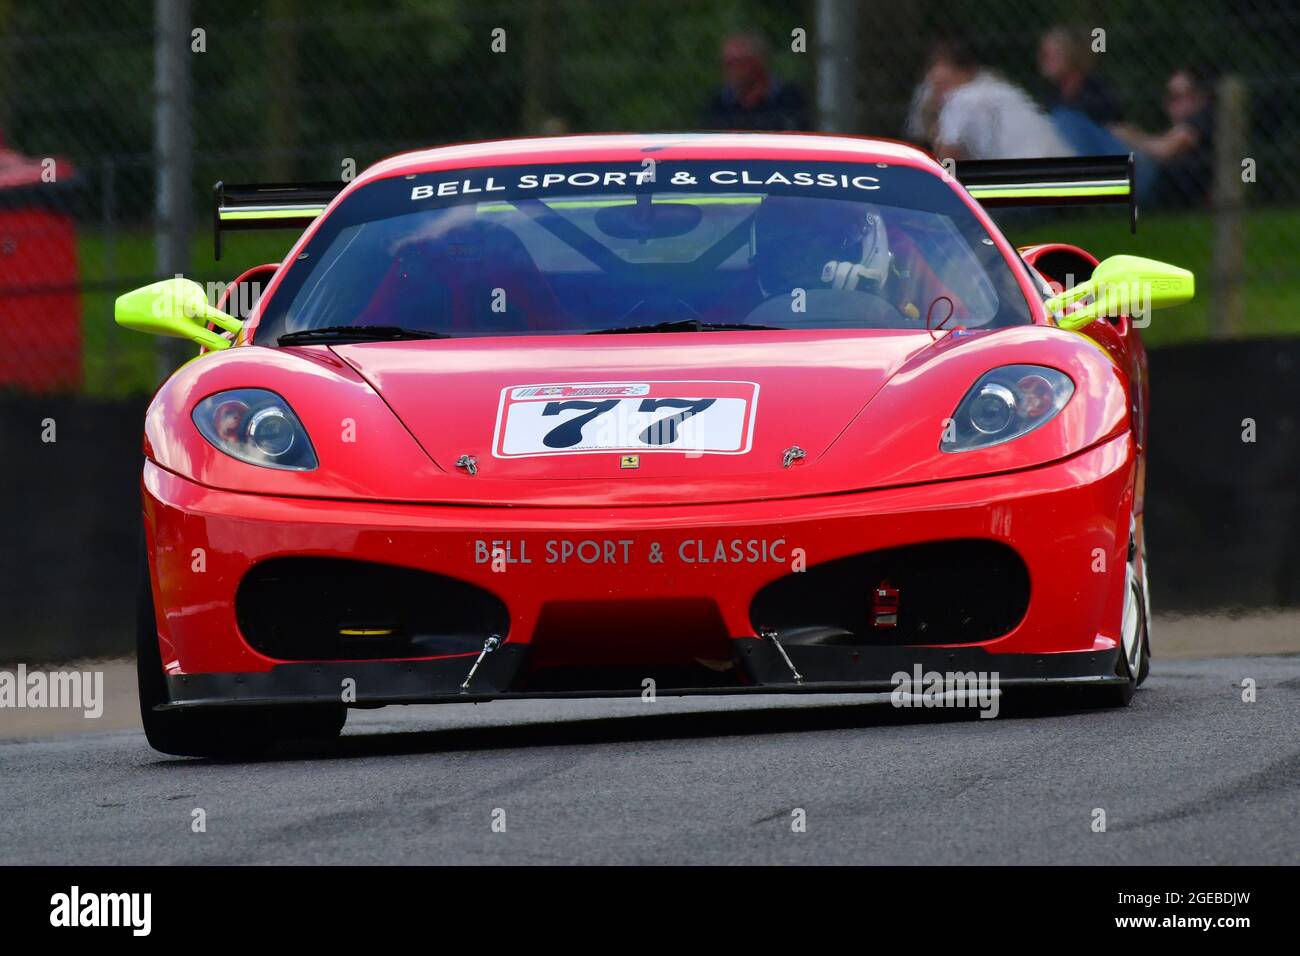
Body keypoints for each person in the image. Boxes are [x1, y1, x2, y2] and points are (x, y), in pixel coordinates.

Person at [912, 39, 1070, 160]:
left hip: (1032, 174)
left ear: (963, 71)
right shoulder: (994, 87)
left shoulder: (961, 99)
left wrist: (933, 122)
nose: (931, 80)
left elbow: (946, 161)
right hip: (1060, 162)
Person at [1111, 67, 1216, 206]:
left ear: (1199, 98)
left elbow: (1165, 149)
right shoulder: (1189, 124)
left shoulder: (1202, 119)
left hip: (1165, 188)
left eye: (1176, 96)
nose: (1169, 104)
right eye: (1169, 97)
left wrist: (1130, 136)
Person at [1038, 25, 1123, 154]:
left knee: (1064, 118)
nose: (1044, 61)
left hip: (1104, 154)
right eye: (1044, 55)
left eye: (1053, 55)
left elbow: (1112, 125)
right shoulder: (1050, 96)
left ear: (1072, 54)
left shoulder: (1096, 92)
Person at [702, 32, 808, 131]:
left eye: (737, 63)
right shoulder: (719, 105)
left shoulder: (789, 99)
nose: (731, 70)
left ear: (758, 62)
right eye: (727, 63)